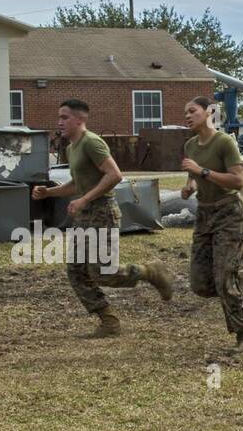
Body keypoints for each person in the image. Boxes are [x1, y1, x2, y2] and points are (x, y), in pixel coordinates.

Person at [31, 99, 172, 335]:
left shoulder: (91, 143)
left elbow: (115, 175)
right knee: (76, 271)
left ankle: (149, 271)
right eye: (59, 117)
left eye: (64, 117)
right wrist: (49, 192)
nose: (59, 122)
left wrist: (85, 199)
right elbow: (78, 184)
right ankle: (109, 321)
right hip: (85, 214)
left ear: (80, 119)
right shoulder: (71, 147)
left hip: (102, 212)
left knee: (103, 272)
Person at [180, 96, 243, 353]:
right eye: (186, 113)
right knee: (200, 284)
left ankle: (242, 335)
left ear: (208, 113)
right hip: (204, 214)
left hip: (228, 213)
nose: (188, 116)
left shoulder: (224, 142)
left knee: (224, 280)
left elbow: (238, 182)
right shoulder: (191, 145)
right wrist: (190, 185)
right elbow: (193, 175)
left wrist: (203, 172)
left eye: (192, 111)